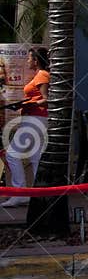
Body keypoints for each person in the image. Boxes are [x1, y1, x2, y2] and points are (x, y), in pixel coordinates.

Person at [1, 48, 50, 207]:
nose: (27, 61)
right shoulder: (39, 75)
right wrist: (24, 105)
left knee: (12, 155)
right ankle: (39, 194)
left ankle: (20, 192)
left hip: (34, 120)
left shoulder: (42, 75)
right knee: (35, 158)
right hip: (36, 119)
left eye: (29, 58)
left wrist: (27, 104)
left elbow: (46, 100)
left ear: (36, 60)